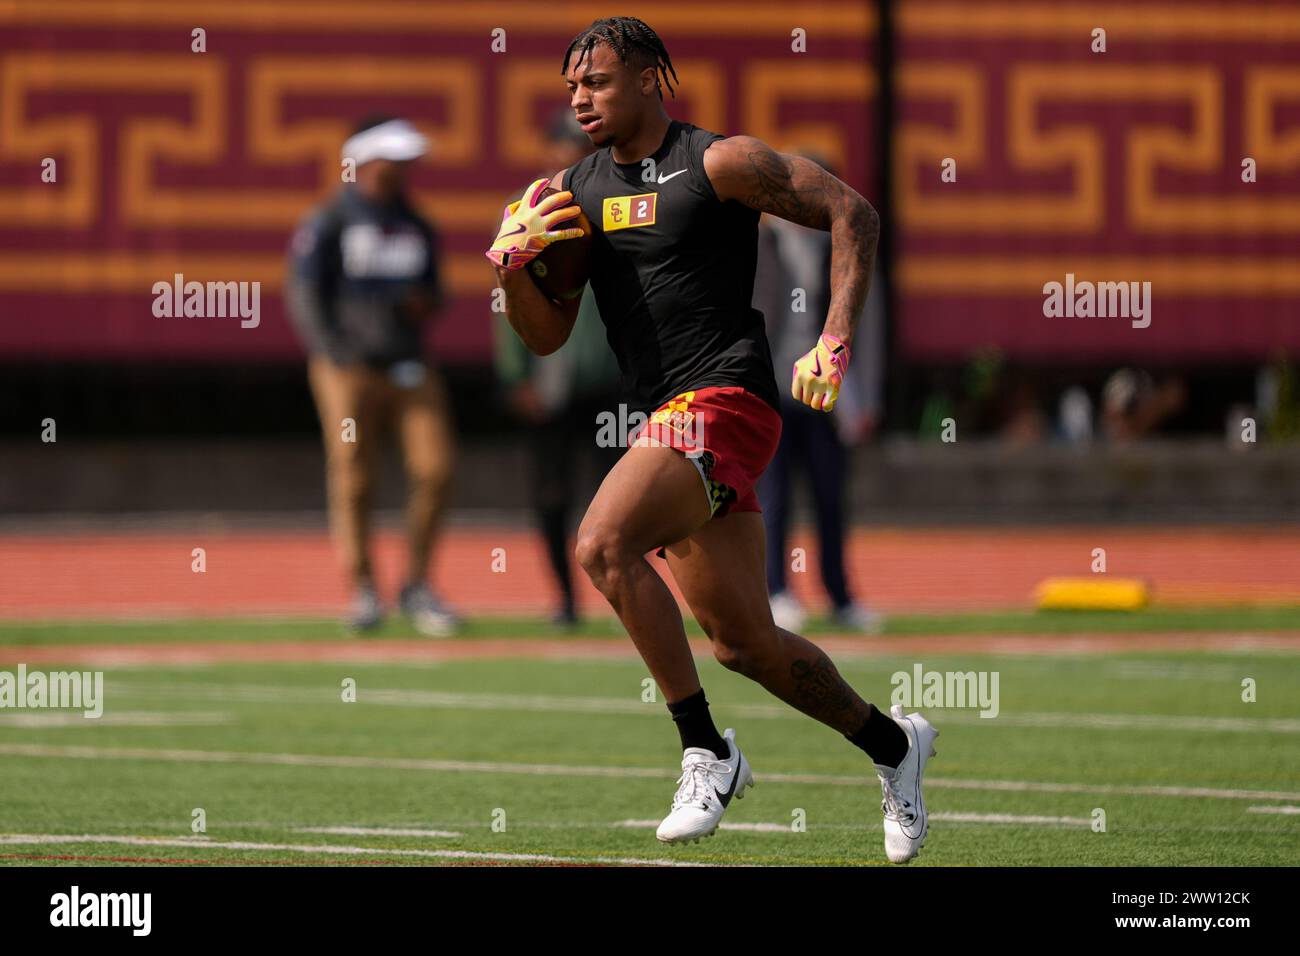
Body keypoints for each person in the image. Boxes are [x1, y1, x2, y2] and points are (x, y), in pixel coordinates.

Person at [486, 17, 937, 863]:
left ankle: (705, 750)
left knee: (602, 542)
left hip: (727, 399)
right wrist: (511, 274)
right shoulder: (571, 193)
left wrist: (834, 339)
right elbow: (547, 337)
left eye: (601, 82)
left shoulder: (717, 161)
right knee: (745, 646)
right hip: (665, 418)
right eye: (573, 86)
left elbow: (853, 212)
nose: (582, 99)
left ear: (655, 77)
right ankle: (894, 746)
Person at [286, 115, 461, 637]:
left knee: (435, 468)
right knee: (354, 474)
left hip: (408, 364)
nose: (404, 168)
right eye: (394, 158)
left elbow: (435, 292)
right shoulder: (331, 220)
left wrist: (422, 305)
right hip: (348, 368)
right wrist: (331, 350)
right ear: (363, 161)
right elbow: (303, 290)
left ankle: (417, 584)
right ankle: (363, 588)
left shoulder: (417, 223)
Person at [492, 110, 623, 627]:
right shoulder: (528, 212)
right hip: (552, 379)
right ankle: (565, 600)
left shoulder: (618, 208)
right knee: (551, 494)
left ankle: (622, 593)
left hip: (614, 378)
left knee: (619, 495)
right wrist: (514, 374)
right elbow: (507, 294)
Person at [752, 172, 885, 634]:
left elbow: (867, 327)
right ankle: (776, 591)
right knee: (772, 498)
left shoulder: (842, 244)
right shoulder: (759, 242)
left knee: (830, 498)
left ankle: (840, 595)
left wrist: (863, 397)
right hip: (772, 390)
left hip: (828, 395)